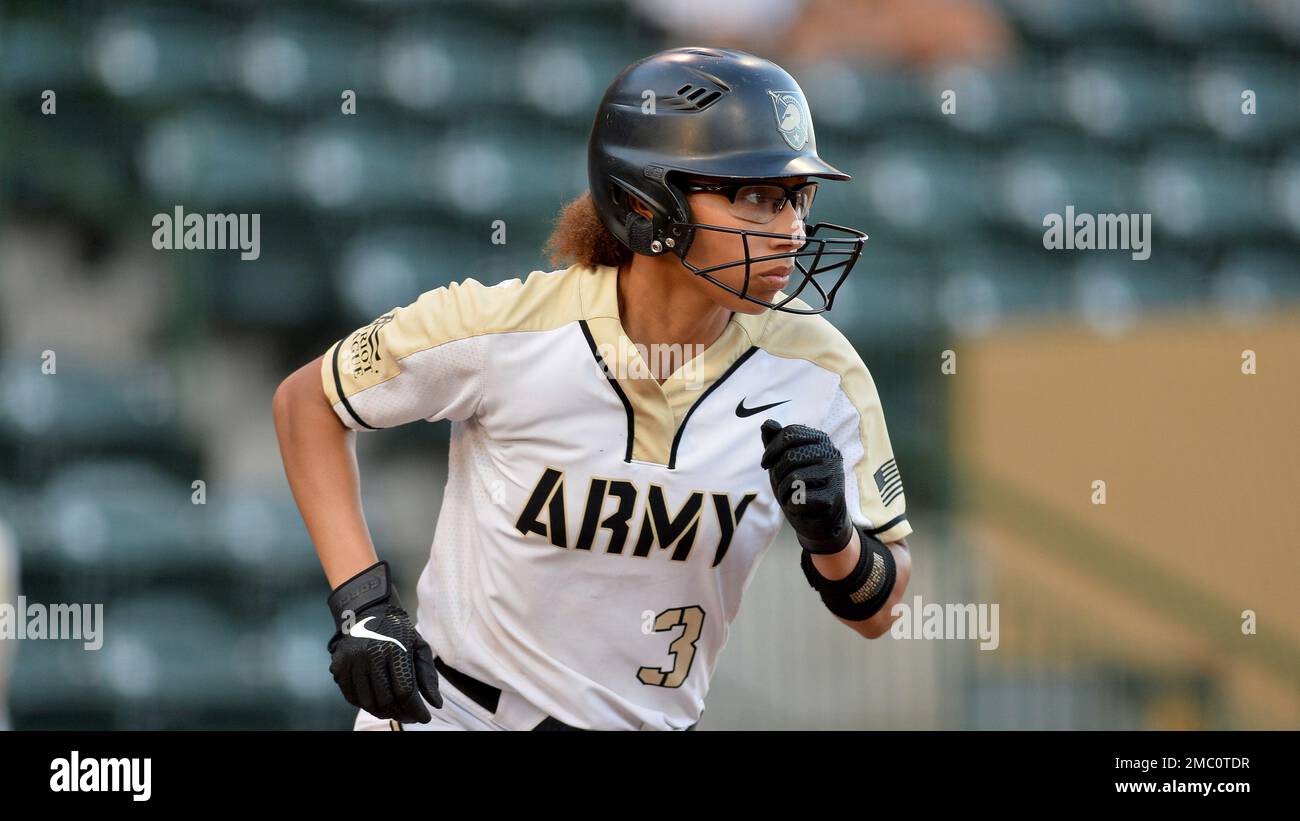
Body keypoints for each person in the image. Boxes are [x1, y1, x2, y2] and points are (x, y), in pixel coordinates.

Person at [273, 46, 912, 731]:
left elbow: (883, 609)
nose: (792, 230)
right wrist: (364, 604)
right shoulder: (505, 328)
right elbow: (306, 402)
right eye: (756, 195)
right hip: (460, 715)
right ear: (646, 200)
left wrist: (835, 539)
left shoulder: (822, 373)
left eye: (798, 198)